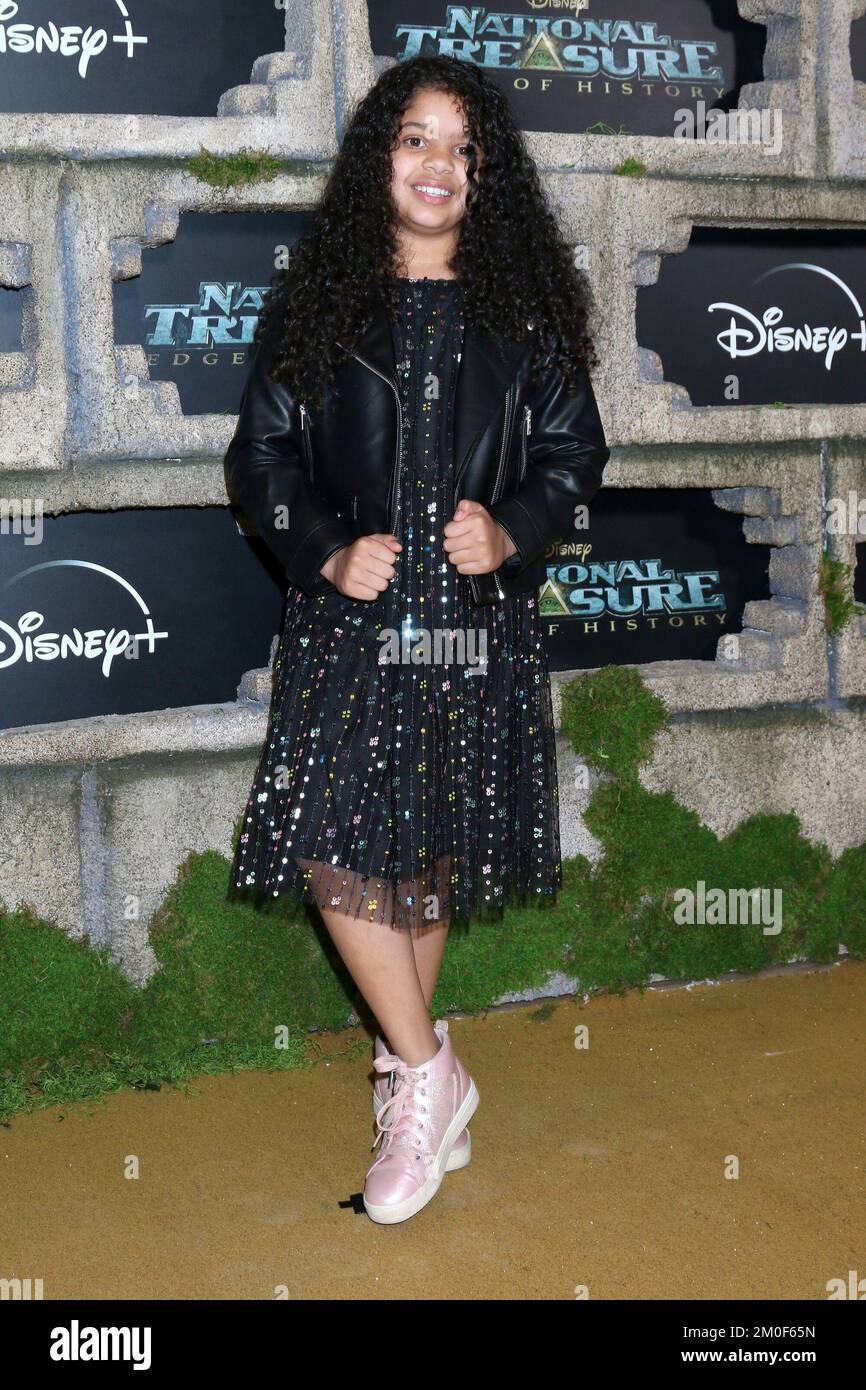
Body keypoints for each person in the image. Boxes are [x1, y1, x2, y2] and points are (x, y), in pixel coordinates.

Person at [224, 54, 609, 1225]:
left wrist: (518, 526)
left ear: (483, 175)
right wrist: (329, 549)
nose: (437, 164)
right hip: (351, 626)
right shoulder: (317, 302)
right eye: (413, 139)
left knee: (424, 849)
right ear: (375, 160)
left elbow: (574, 460)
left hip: (474, 628)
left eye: (460, 147)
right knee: (327, 841)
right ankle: (431, 1066)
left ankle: (408, 1086)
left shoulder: (526, 314)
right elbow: (260, 460)